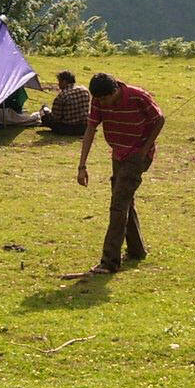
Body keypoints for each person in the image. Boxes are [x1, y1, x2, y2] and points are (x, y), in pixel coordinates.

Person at [75, 73, 164, 274]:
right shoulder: (98, 101)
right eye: (99, 100)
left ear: (115, 90)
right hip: (118, 154)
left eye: (105, 99)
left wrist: (145, 149)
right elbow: (90, 129)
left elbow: (159, 119)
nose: (102, 103)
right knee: (124, 201)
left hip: (138, 155)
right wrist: (82, 166)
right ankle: (136, 250)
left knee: (118, 205)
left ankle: (109, 262)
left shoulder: (137, 96)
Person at [39, 70, 90, 135]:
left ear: (64, 82)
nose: (58, 84)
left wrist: (46, 113)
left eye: (59, 81)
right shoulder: (85, 90)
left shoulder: (62, 96)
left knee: (44, 117)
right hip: (83, 127)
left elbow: (56, 118)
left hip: (67, 128)